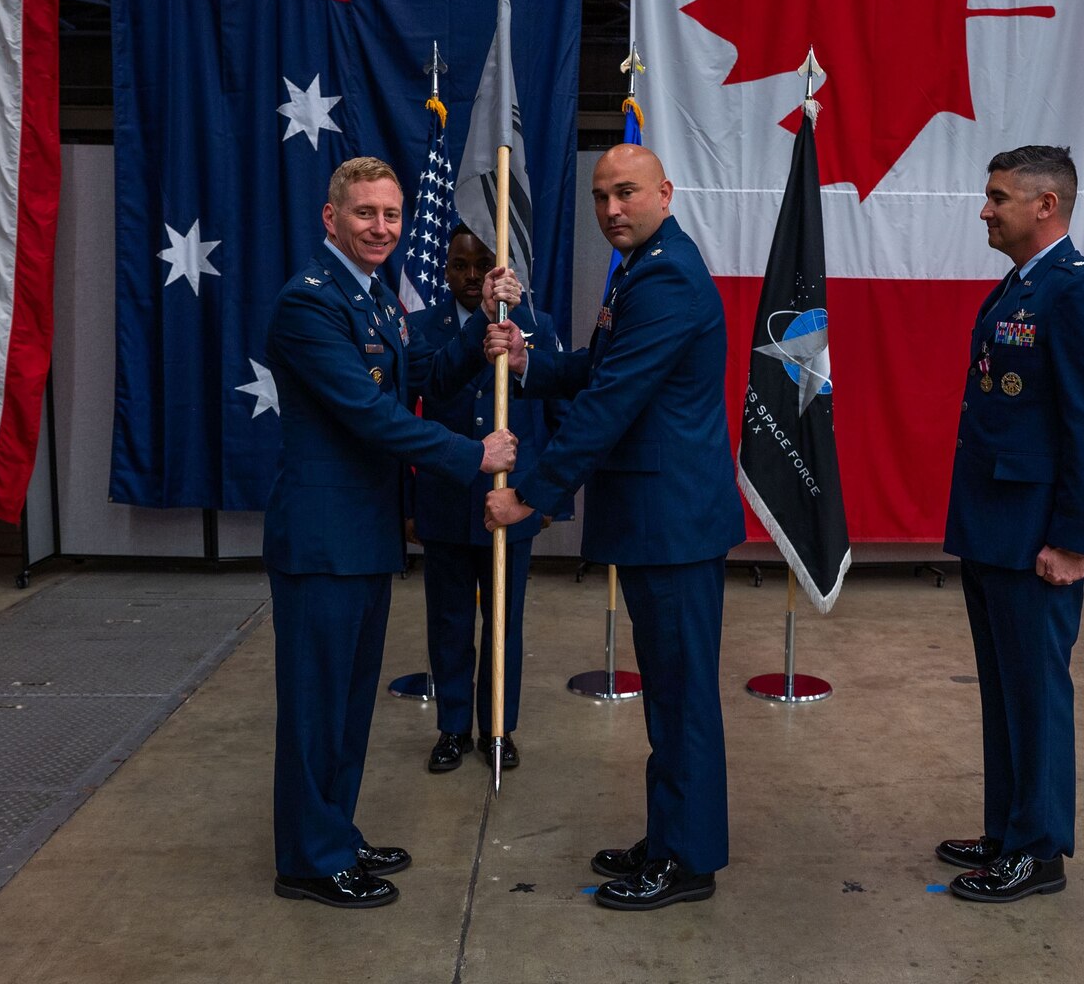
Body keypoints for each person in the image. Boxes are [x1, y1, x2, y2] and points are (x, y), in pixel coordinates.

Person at [483, 144, 745, 911]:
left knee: (681, 699)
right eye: (600, 197)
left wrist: (531, 494)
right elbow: (603, 367)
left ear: (665, 192)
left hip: (673, 525)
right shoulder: (647, 267)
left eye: (626, 193)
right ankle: (671, 837)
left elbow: (611, 403)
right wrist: (531, 363)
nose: (610, 210)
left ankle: (687, 861)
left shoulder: (665, 275)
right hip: (658, 521)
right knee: (669, 694)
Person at [263, 156, 520, 909]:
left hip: (365, 536)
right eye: (366, 213)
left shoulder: (373, 298)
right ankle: (309, 862)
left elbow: (414, 384)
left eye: (392, 214)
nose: (381, 227)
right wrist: (473, 456)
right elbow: (370, 416)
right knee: (316, 706)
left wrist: (478, 343)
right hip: (322, 540)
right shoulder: (309, 305)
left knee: (345, 704)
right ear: (331, 219)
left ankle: (334, 833)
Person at [938, 145, 1084, 903]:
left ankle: (1039, 851)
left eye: (998, 197)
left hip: (1038, 538)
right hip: (995, 526)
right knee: (1005, 690)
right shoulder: (1018, 289)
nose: (985, 209)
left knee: (1038, 693)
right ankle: (1009, 828)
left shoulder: (1079, 294)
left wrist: (1075, 540)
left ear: (1045, 205)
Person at [404, 225, 565, 774]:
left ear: (502, 266)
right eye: (460, 266)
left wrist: (549, 499)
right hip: (448, 501)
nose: (472, 276)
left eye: (482, 264)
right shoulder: (421, 326)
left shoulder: (536, 325)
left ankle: (499, 726)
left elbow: (556, 413)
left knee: (504, 621)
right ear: (444, 270)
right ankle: (452, 727)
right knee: (448, 622)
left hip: (512, 500)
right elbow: (432, 391)